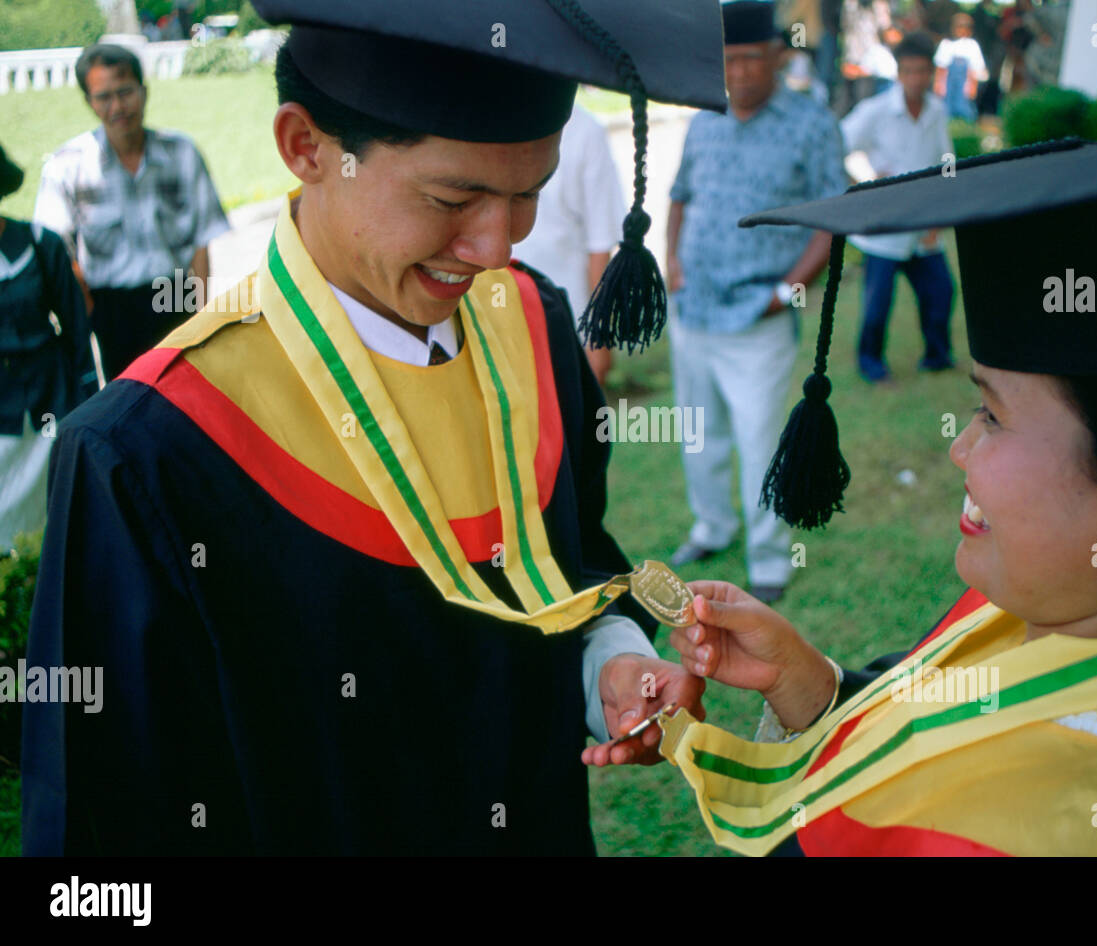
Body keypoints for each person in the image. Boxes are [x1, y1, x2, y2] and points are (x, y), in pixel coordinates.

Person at [21, 0, 727, 855]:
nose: (495, 248)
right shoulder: (151, 447)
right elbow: (107, 802)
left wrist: (606, 662)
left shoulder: (532, 327)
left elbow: (569, 563)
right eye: (452, 197)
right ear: (305, 146)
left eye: (529, 196)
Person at [622, 108, 1097, 856]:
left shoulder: (1061, 823)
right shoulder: (1050, 608)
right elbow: (914, 745)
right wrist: (805, 681)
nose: (960, 448)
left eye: (993, 415)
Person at [664, 0, 847, 606]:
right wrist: (674, 261)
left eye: (750, 59)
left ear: (776, 55)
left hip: (757, 318)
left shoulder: (810, 123)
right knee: (699, 434)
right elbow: (681, 195)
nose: (739, 74)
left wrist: (786, 293)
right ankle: (711, 526)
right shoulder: (703, 118)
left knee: (761, 440)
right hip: (694, 310)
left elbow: (831, 222)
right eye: (728, 62)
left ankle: (769, 557)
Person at [32, 43, 230, 381]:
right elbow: (55, 249)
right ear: (89, 102)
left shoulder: (182, 153)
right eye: (103, 96)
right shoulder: (68, 166)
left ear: (144, 90)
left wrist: (200, 314)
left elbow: (202, 239)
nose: (118, 106)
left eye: (126, 92)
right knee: (128, 407)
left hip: (173, 295)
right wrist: (92, 312)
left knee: (186, 399)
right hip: (113, 307)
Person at [840, 32, 955, 383]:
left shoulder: (936, 111)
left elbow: (946, 161)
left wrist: (939, 213)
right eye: (908, 71)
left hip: (923, 225)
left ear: (932, 71)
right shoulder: (876, 111)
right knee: (877, 305)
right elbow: (836, 145)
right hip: (885, 229)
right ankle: (871, 365)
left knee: (941, 292)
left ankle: (937, 357)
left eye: (922, 71)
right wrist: (864, 179)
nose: (915, 78)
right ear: (898, 73)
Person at [0, 145, 98, 551]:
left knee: (59, 518)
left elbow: (77, 330)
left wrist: (90, 402)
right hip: (2, 419)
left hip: (51, 402)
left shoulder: (40, 244)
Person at [513, 103, 626, 388]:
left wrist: (598, 334)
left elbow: (600, 243)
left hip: (567, 310)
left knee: (573, 416)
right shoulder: (490, 113)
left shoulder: (584, 131)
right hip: (499, 304)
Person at [934, 12, 988, 120]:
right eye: (959, 26)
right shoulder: (946, 44)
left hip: (965, 83)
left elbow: (975, 68)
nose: (962, 30)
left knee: (965, 108)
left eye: (966, 27)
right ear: (952, 28)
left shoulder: (972, 45)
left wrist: (973, 86)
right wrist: (938, 85)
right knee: (946, 108)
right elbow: (941, 68)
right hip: (948, 83)